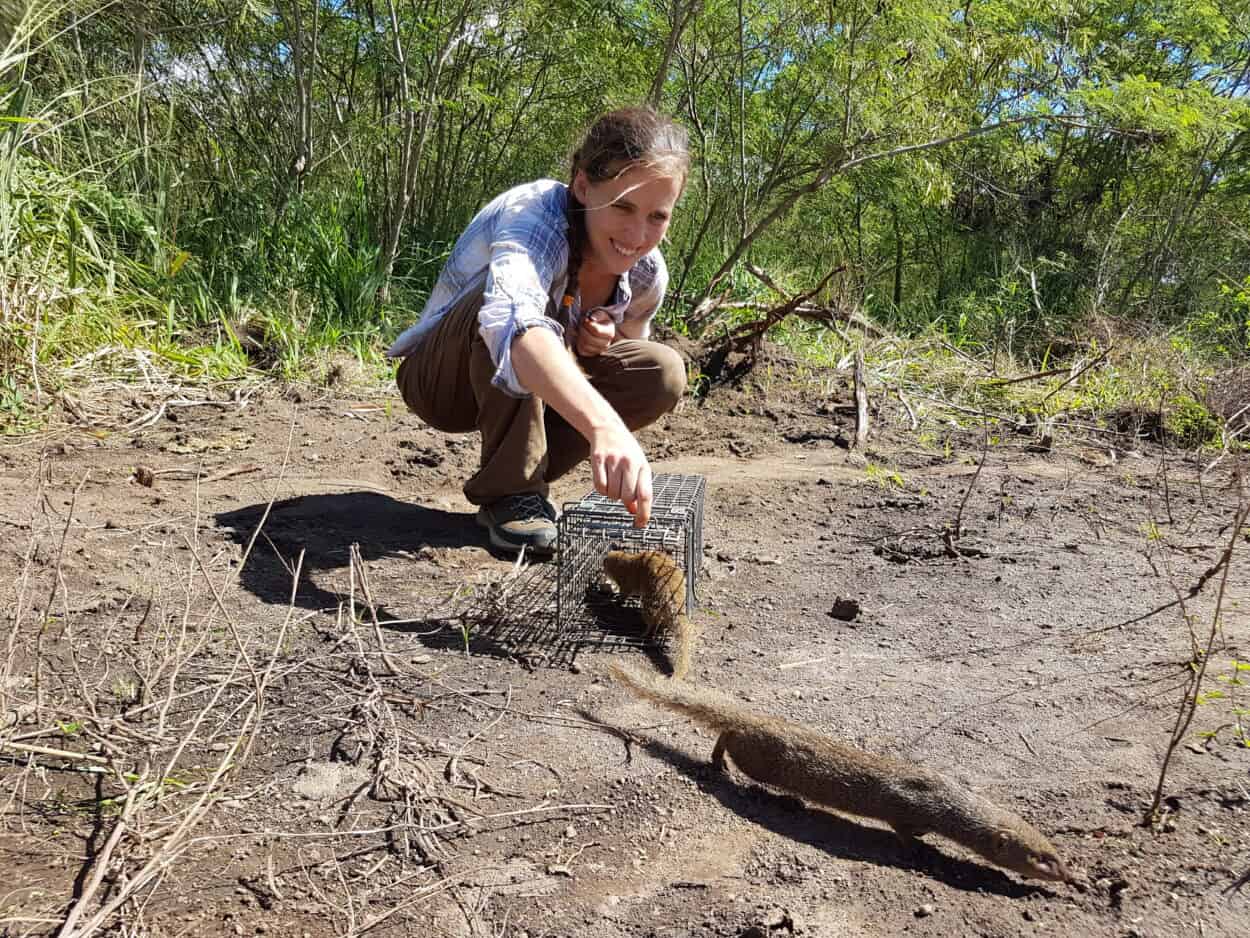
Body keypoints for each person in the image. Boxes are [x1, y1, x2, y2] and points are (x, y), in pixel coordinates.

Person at [388, 107, 690, 556]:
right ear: (583, 186)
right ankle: (512, 490)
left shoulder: (647, 272)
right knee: (505, 307)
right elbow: (513, 322)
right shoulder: (534, 215)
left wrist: (603, 337)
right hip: (443, 383)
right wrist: (604, 426)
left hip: (533, 394)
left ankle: (522, 480)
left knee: (661, 371)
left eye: (657, 216)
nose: (637, 233)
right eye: (623, 206)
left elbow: (628, 353)